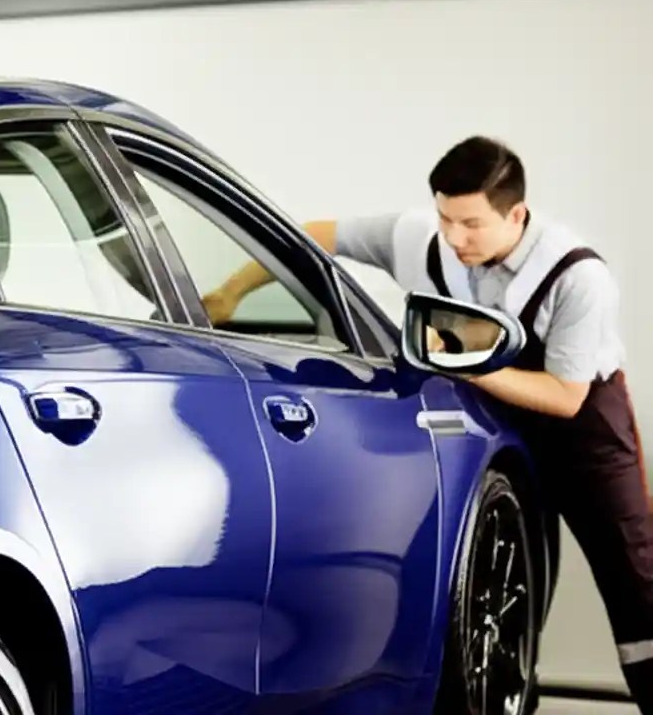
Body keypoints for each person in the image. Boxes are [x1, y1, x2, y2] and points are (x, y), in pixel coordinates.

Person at [203, 135, 653, 711]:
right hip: (494, 416)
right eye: (445, 218)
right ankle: (512, 690)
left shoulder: (577, 276)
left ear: (516, 214)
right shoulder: (419, 238)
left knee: (634, 578)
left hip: (585, 432)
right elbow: (310, 236)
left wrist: (460, 362)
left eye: (471, 224)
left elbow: (566, 396)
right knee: (511, 563)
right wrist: (228, 294)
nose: (455, 238)